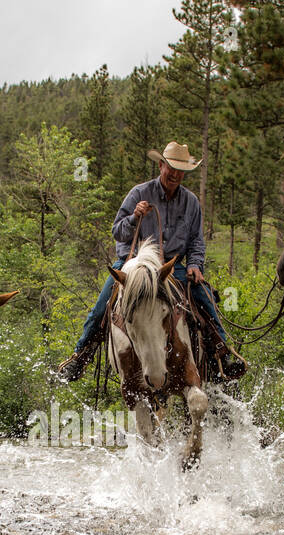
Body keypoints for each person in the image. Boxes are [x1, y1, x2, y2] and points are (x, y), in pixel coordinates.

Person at [56, 141, 247, 382]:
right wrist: (134, 218)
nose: (176, 175)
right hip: (134, 263)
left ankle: (221, 355)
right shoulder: (138, 193)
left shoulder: (191, 202)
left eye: (181, 171)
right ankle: (81, 355)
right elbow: (117, 232)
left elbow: (197, 241)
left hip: (170, 267)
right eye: (171, 168)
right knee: (104, 302)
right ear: (161, 165)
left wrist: (195, 265)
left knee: (203, 298)